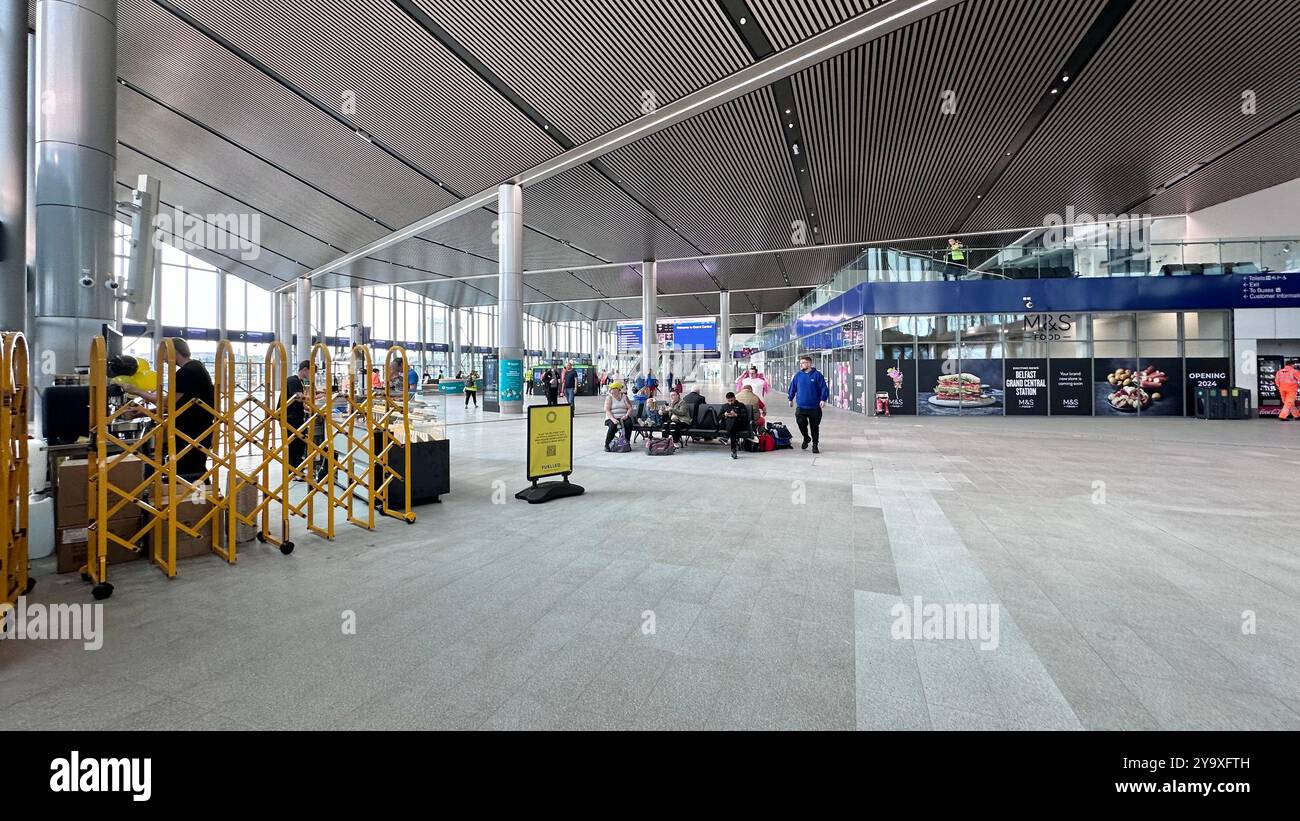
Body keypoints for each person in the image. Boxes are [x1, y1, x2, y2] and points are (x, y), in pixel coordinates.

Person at [123, 338, 214, 481]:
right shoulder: (196, 368)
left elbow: (168, 402)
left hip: (191, 431)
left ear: (173, 351)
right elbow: (179, 405)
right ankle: (198, 500)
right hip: (197, 429)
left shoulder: (187, 372)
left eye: (163, 353)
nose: (163, 359)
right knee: (191, 468)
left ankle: (198, 501)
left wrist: (137, 391)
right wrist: (143, 412)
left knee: (190, 470)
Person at [788, 354, 829, 453]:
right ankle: (806, 437)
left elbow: (824, 388)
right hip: (801, 406)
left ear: (809, 363)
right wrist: (790, 398)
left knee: (814, 427)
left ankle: (815, 445)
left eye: (803, 363)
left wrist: (823, 399)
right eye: (800, 363)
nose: (801, 365)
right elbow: (792, 387)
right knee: (801, 423)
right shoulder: (798, 375)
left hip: (814, 407)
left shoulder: (817, 375)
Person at [285, 360, 312, 478]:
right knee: (295, 444)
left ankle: (296, 469)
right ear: (305, 369)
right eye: (312, 372)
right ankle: (294, 471)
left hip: (296, 415)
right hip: (290, 417)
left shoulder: (298, 381)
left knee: (299, 443)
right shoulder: (293, 380)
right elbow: (298, 397)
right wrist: (310, 399)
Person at [603, 381, 634, 451]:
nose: (611, 390)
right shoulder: (609, 398)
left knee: (628, 424)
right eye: (610, 389)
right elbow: (607, 410)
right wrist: (613, 419)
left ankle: (626, 442)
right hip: (611, 417)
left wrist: (626, 415)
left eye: (612, 388)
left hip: (623, 417)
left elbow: (630, 408)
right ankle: (607, 444)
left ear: (618, 389)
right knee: (613, 426)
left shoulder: (624, 397)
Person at [720, 392, 751, 460]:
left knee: (733, 420)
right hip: (728, 426)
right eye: (728, 401)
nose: (730, 402)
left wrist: (736, 415)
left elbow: (745, 417)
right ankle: (733, 451)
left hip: (739, 425)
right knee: (732, 429)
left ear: (735, 398)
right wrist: (725, 415)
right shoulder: (725, 406)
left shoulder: (741, 405)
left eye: (732, 400)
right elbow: (719, 417)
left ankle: (726, 437)